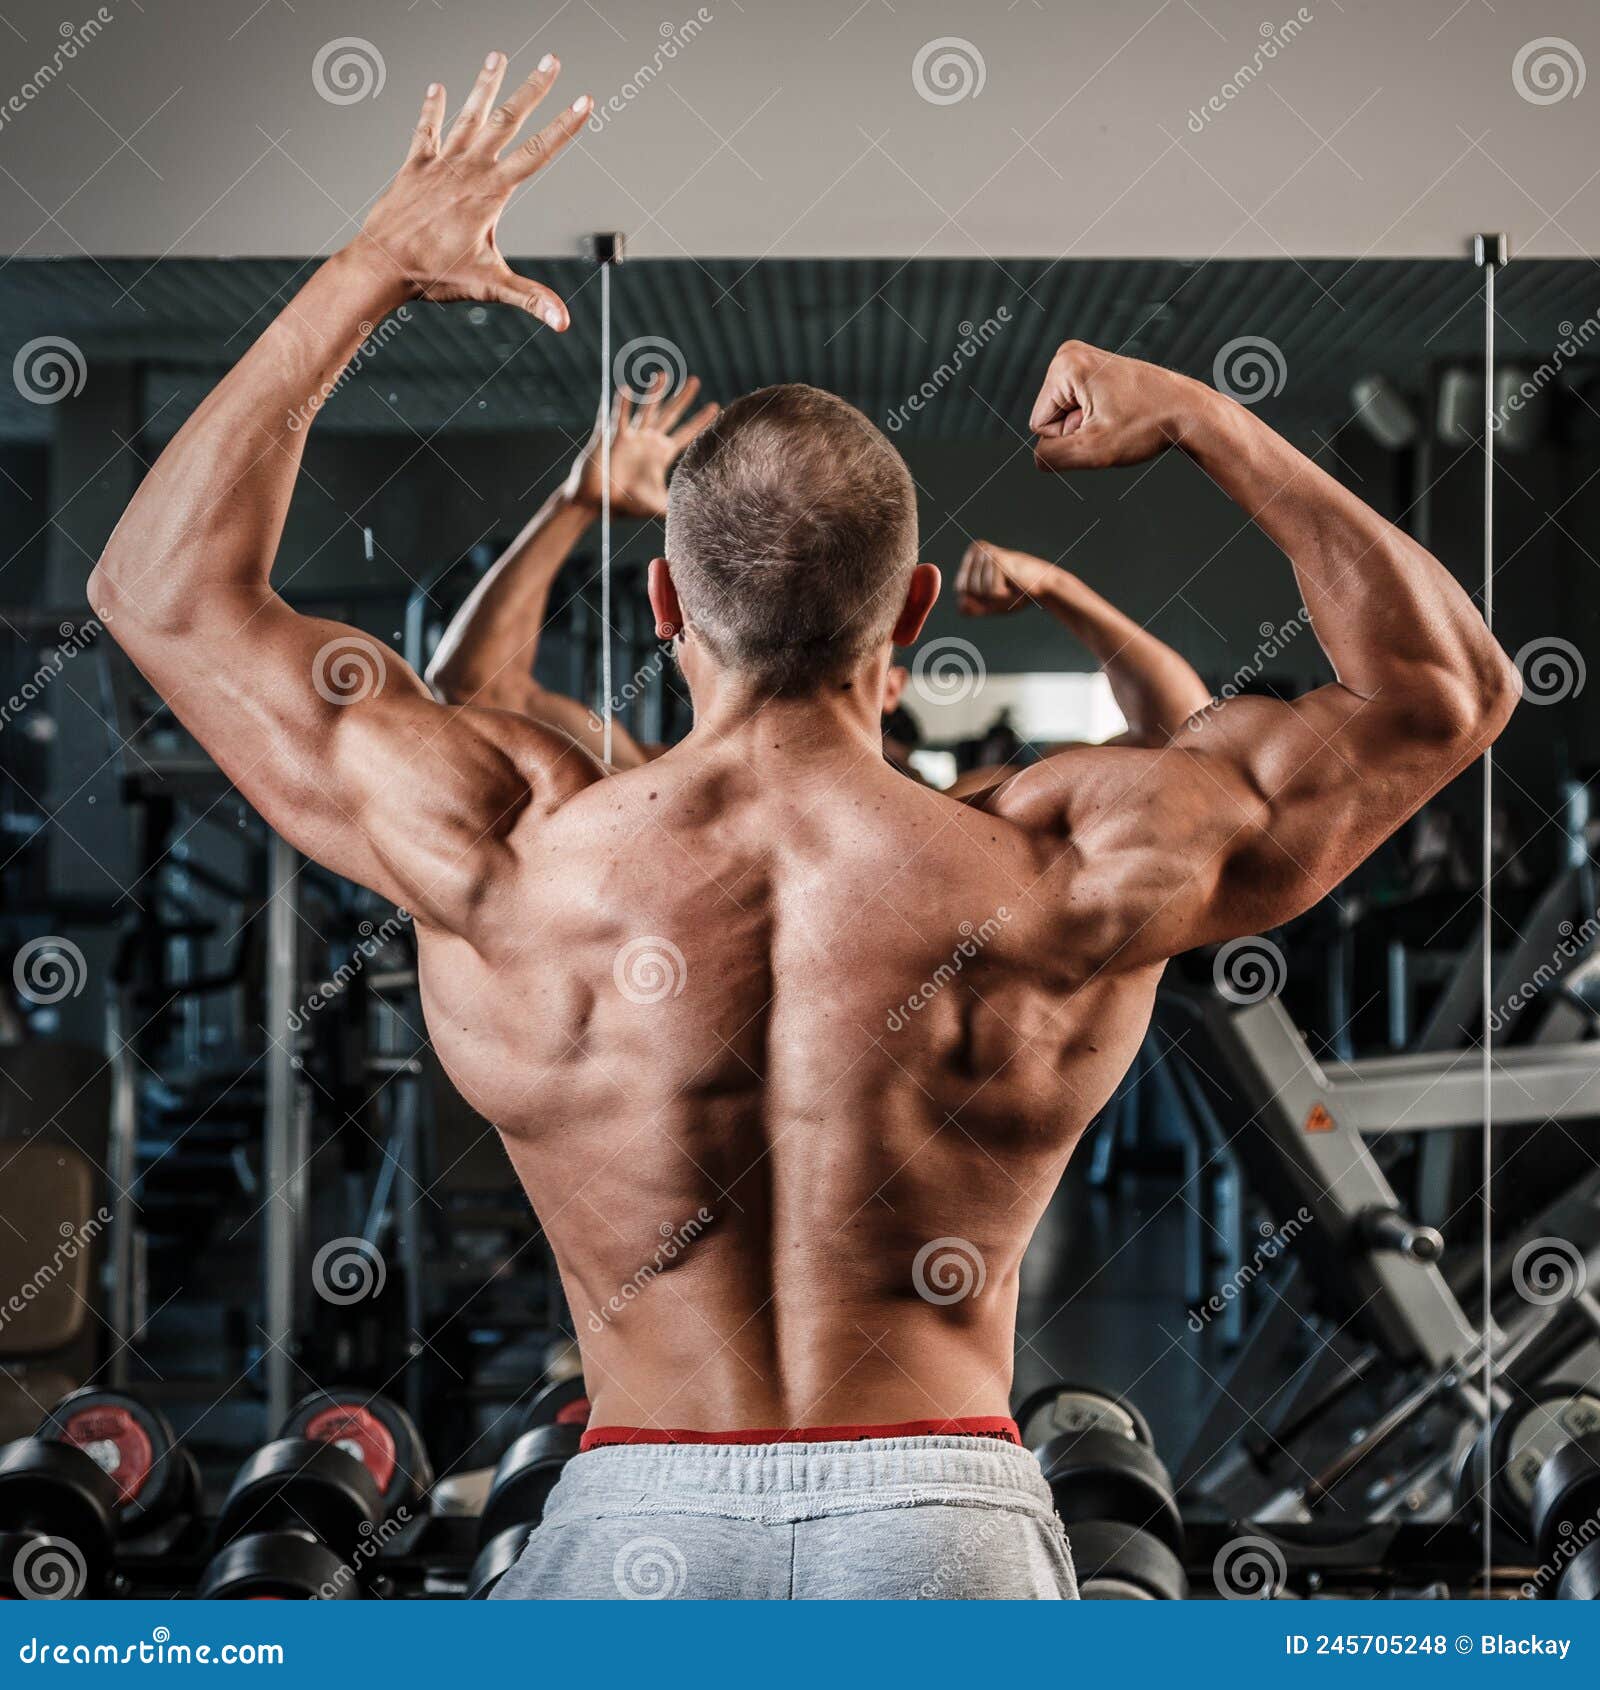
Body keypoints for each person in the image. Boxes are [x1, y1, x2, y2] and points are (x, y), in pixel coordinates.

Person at [89, 47, 1519, 1600]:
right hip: (945, 1526)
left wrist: (369, 269)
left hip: (637, 1520)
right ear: (908, 608)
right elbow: (1446, 690)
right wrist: (1202, 420)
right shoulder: (1058, 859)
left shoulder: (514, 847)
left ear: (662, 605)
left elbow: (158, 590)